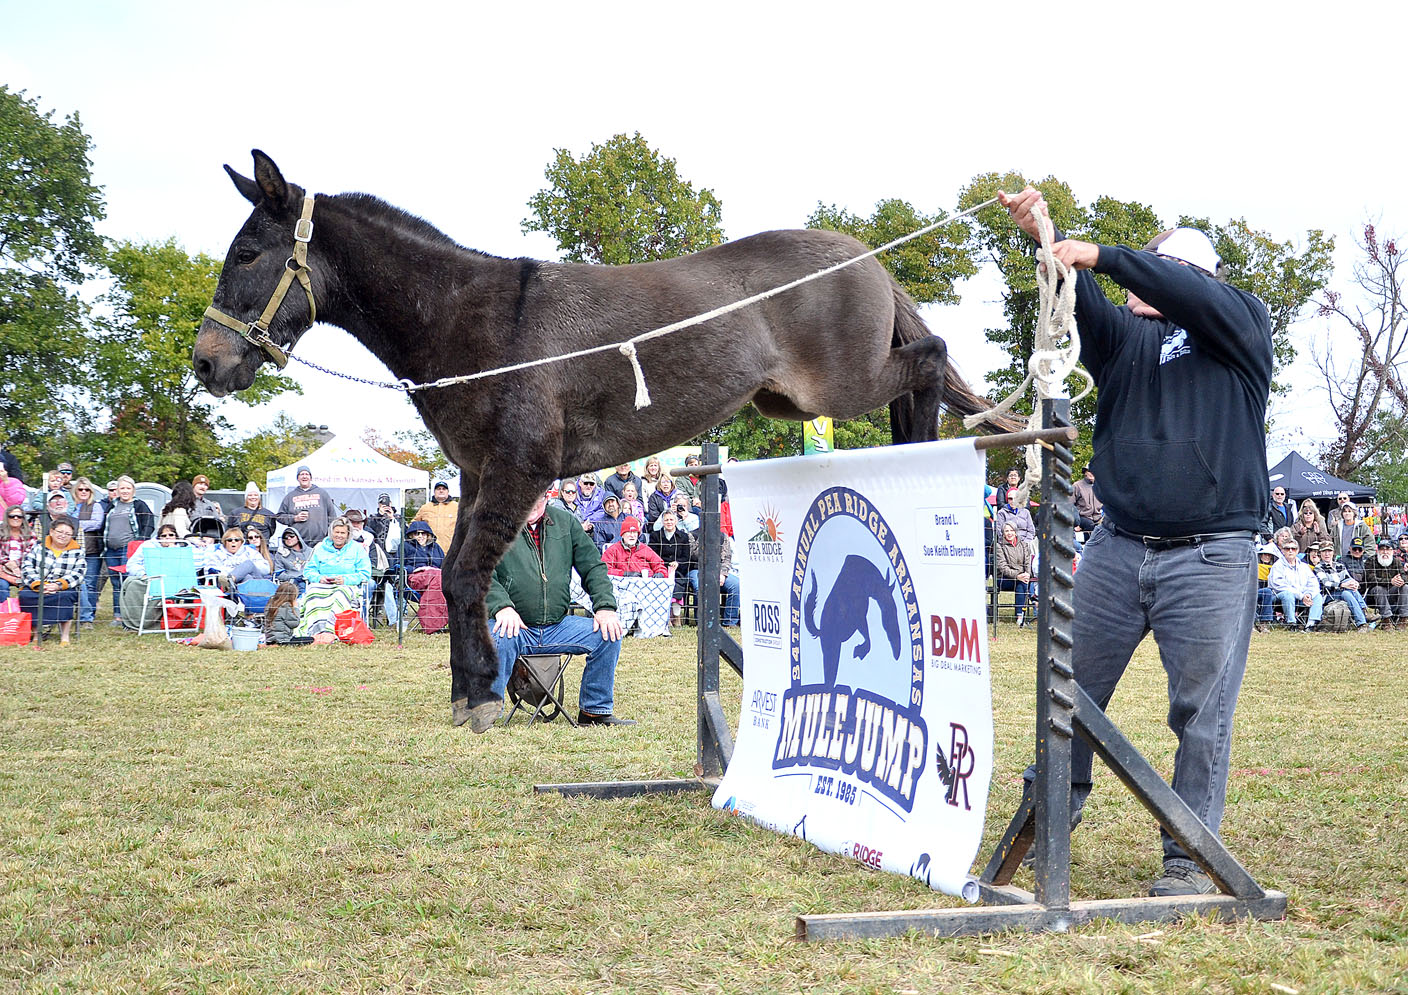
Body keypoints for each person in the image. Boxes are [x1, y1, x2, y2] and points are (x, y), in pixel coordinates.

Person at [1000, 188, 1272, 898]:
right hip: (1119, 546)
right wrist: (1047, 234)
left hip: (1212, 552)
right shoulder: (1125, 339)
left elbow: (1174, 288)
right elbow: (1079, 290)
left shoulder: (1240, 327)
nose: (1140, 281)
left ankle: (1188, 859)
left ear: (1197, 281)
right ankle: (1046, 823)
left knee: (1200, 715)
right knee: (1068, 689)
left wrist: (1110, 254)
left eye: (1157, 269)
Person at [482, 486, 630, 727]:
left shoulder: (566, 523)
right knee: (498, 638)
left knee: (609, 635)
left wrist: (604, 607)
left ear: (546, 496)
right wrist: (502, 607)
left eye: (536, 498)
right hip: (514, 625)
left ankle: (594, 711)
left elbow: (593, 566)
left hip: (558, 625)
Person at [18, 515, 85, 645]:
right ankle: (37, 634)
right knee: (26, 595)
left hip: (62, 587)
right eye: (60, 532)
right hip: (38, 585)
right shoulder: (38, 547)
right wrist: (38, 584)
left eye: (68, 534)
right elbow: (27, 567)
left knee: (66, 597)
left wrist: (58, 585)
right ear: (52, 531)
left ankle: (65, 637)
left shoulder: (77, 551)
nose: (63, 536)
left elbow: (79, 573)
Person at [101, 476, 154, 626]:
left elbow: (149, 523)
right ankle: (117, 615)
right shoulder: (112, 505)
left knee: (127, 582)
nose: (124, 491)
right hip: (111, 549)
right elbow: (104, 526)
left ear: (133, 490)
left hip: (128, 549)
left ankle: (129, 616)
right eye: (122, 488)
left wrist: (140, 542)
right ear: (117, 490)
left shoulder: (139, 505)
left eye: (127, 488)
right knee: (115, 583)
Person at [1268, 529, 1323, 630]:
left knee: (1318, 596)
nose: (1290, 551)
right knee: (1287, 594)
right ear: (1283, 550)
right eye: (1287, 548)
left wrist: (1308, 594)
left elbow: (1314, 583)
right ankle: (1291, 623)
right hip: (1280, 598)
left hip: (1303, 597)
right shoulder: (1277, 566)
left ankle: (1311, 624)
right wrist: (1301, 596)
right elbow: (1279, 586)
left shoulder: (1304, 567)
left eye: (1293, 549)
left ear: (1297, 551)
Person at [689, 525, 741, 627]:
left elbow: (727, 558)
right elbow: (693, 555)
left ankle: (730, 621)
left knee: (736, 585)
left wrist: (723, 574)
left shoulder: (723, 536)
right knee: (699, 586)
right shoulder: (692, 535)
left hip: (718, 570)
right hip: (696, 569)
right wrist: (704, 539)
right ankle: (702, 621)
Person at [1312, 541, 1372, 630]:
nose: (1327, 554)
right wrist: (1342, 585)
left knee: (1349, 588)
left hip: (1343, 591)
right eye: (1324, 551)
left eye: (1329, 551)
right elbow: (1326, 584)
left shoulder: (1339, 565)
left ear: (1333, 552)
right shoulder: (1319, 568)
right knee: (1346, 593)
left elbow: (1348, 577)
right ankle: (1362, 620)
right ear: (1320, 554)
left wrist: (1354, 583)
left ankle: (1363, 616)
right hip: (1328, 595)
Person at [302, 517, 372, 593]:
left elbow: (365, 573)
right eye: (337, 532)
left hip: (348, 587)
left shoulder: (358, 549)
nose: (339, 536)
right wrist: (319, 578)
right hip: (321, 587)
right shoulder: (320, 548)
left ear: (348, 534)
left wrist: (346, 580)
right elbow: (308, 571)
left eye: (342, 533)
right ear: (331, 533)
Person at [69, 477, 105, 626]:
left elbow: (96, 523)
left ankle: (87, 617)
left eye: (87, 489)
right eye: (80, 489)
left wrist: (73, 524)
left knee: (89, 583)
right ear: (75, 491)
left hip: (91, 551)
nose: (84, 492)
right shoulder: (69, 506)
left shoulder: (96, 506)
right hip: (70, 550)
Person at [649, 509, 698, 612]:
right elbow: (652, 555)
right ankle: (663, 612)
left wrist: (677, 563)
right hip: (660, 569)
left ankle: (675, 615)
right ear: (662, 522)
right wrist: (664, 565)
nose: (669, 522)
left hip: (678, 570)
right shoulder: (655, 536)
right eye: (666, 520)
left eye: (671, 520)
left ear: (676, 521)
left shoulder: (683, 536)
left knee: (677, 581)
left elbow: (686, 557)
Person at [276, 465, 338, 545]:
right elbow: (279, 516)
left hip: (321, 541)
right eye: (301, 474)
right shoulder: (290, 497)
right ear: (298, 478)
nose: (304, 476)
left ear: (311, 478)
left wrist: (329, 535)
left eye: (307, 474)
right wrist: (295, 518)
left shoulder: (322, 494)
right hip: (298, 542)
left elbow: (332, 516)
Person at [994, 521, 1034, 627]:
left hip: (1022, 577)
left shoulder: (1024, 544)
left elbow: (1027, 562)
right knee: (1021, 583)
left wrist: (1027, 574)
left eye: (1011, 530)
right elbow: (1003, 567)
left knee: (1022, 584)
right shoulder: (999, 546)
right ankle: (1025, 611)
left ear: (1016, 532)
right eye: (1006, 531)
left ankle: (1020, 617)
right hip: (1003, 578)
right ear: (1003, 533)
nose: (1009, 533)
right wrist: (1017, 575)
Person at [1362, 537, 1408, 628]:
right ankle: (1386, 620)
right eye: (1382, 549)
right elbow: (1371, 579)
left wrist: (1402, 580)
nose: (1385, 552)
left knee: (1405, 587)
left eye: (1388, 549)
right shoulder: (1370, 561)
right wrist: (1390, 581)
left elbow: (1403, 575)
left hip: (1392, 594)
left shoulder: (1396, 561)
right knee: (1379, 589)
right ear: (1378, 550)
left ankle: (1403, 619)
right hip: (1373, 596)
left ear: (1392, 551)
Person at [204, 528, 273, 586]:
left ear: (241, 542)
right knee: (246, 576)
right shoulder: (218, 554)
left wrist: (244, 568)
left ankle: (231, 580)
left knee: (248, 564)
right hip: (227, 586)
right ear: (225, 542)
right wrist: (238, 572)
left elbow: (266, 570)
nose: (233, 542)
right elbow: (209, 570)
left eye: (236, 540)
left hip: (256, 583)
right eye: (229, 540)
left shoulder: (250, 552)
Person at [602, 517, 668, 578]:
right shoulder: (613, 550)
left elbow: (659, 564)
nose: (632, 535)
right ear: (622, 535)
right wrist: (624, 574)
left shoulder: (645, 549)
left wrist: (660, 573)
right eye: (629, 532)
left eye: (635, 532)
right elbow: (604, 569)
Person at [1, 505, 35, 600]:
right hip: (3, 569)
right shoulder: (0, 533)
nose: (16, 518)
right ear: (7, 518)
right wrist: (9, 564)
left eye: (19, 516)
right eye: (12, 516)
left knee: (29, 589)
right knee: (2, 586)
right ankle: (6, 612)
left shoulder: (31, 535)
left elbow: (30, 554)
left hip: (24, 569)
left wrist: (15, 564)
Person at [413, 480, 459, 550]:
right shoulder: (425, 508)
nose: (441, 491)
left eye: (444, 489)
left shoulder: (457, 507)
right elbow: (414, 525)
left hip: (451, 549)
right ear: (434, 492)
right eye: (438, 489)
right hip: (430, 550)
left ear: (448, 491)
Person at [1252, 541, 1279, 632]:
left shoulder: (1275, 568)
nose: (1267, 556)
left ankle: (1264, 623)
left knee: (1267, 592)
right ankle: (1252, 623)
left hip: (1267, 592)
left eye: (1269, 555)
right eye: (1265, 554)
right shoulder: (1253, 564)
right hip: (1250, 590)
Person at [365, 493, 402, 557]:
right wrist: (380, 516)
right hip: (378, 551)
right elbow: (370, 531)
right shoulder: (373, 518)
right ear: (379, 505)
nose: (385, 505)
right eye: (382, 503)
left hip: (395, 552)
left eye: (387, 503)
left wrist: (392, 518)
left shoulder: (398, 517)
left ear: (390, 503)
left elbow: (403, 532)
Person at [1072, 465, 1102, 533]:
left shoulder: (1101, 487)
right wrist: (1075, 522)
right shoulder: (1077, 486)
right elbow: (1070, 504)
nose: (1092, 473)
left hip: (1098, 518)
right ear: (1085, 472)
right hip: (1082, 517)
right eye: (1089, 471)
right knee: (1090, 525)